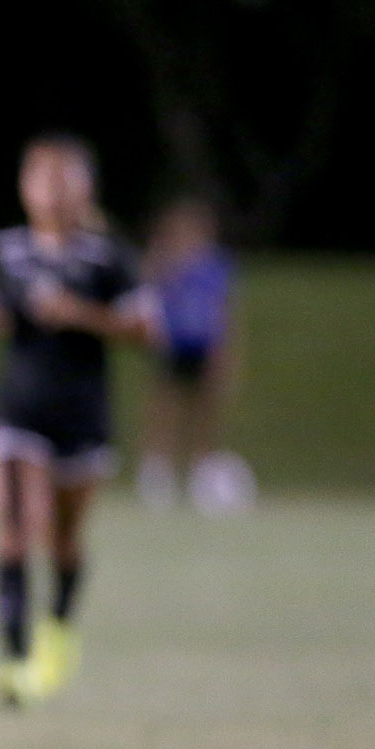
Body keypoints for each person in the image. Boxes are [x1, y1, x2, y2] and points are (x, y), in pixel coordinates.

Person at [0, 133, 156, 707]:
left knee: (63, 541)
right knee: (13, 529)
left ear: (84, 189)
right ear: (24, 187)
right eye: (40, 180)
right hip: (17, 409)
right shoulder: (6, 249)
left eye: (63, 181)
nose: (50, 193)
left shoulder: (107, 255)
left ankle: (59, 630)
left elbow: (146, 328)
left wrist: (80, 315)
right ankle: (14, 662)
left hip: (81, 412)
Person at [136, 197, 252, 515]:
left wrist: (226, 352)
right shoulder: (168, 261)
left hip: (205, 346)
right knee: (165, 408)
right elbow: (146, 288)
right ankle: (158, 473)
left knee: (205, 413)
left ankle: (202, 475)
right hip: (174, 346)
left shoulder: (216, 265)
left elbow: (225, 311)